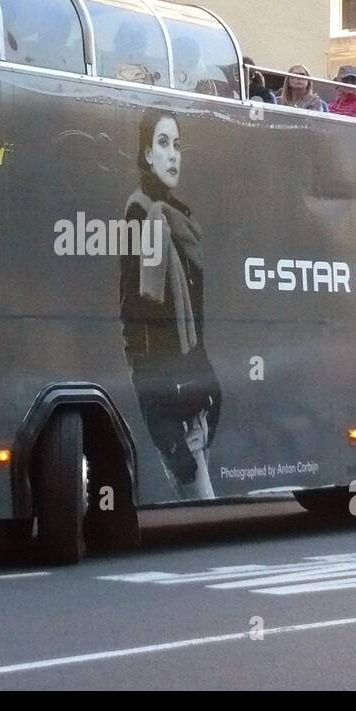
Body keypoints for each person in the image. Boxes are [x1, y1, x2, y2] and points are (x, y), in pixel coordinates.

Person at [120, 110, 220, 499]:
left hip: (193, 399)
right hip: (175, 408)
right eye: (163, 144)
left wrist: (210, 385)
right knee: (205, 513)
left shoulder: (175, 218)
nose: (173, 155)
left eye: (177, 145)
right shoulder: (143, 214)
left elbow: (192, 317)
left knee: (205, 519)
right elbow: (137, 326)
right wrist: (164, 426)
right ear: (147, 153)